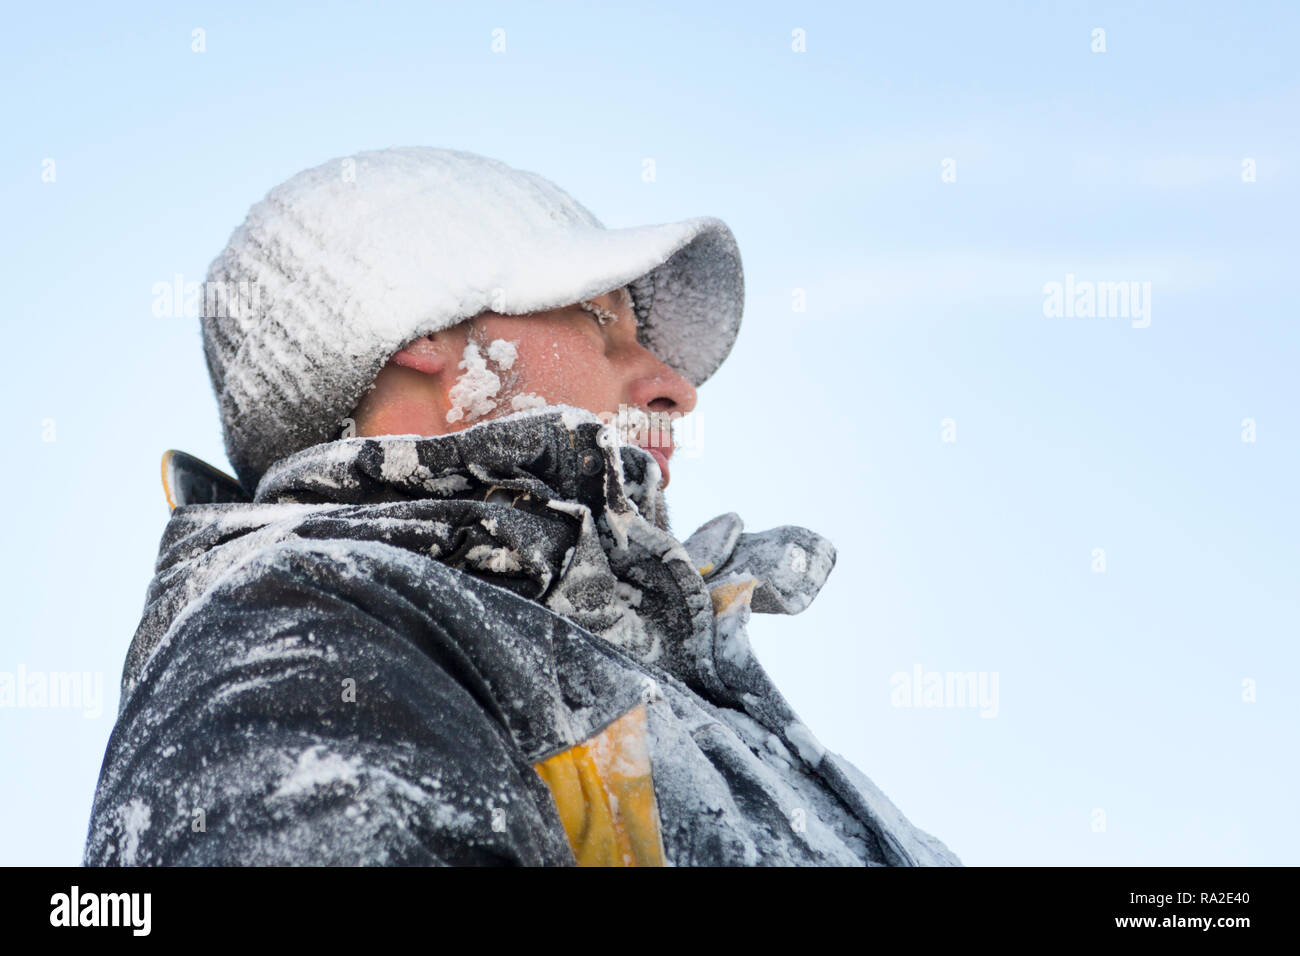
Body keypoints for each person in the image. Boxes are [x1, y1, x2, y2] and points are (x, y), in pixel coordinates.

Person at [83, 147, 961, 866]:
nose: (674, 389)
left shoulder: (612, 659)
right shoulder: (303, 627)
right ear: (424, 329)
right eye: (604, 322)